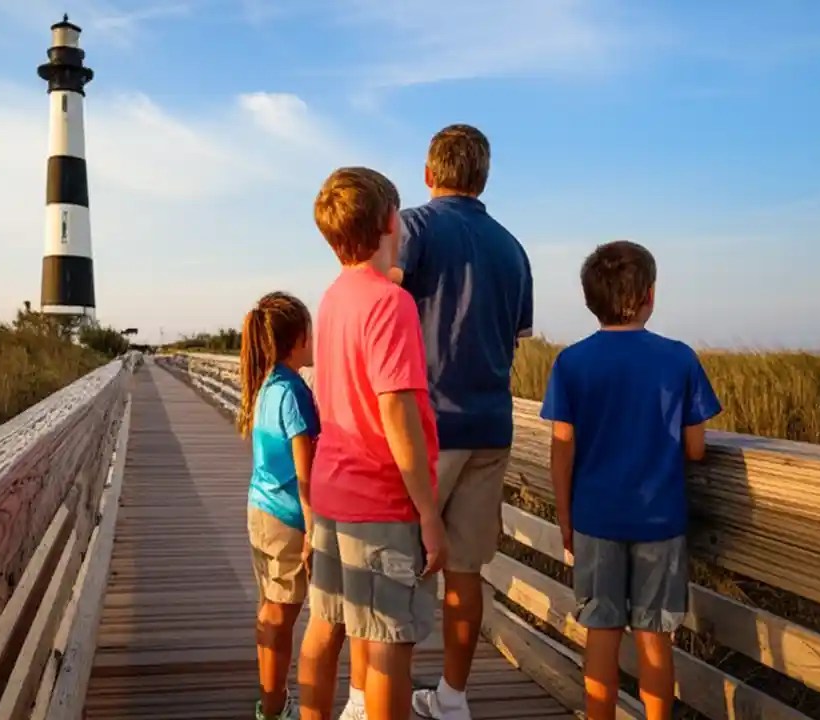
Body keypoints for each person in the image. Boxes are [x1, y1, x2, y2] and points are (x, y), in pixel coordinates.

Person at [539, 240, 721, 720]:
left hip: (595, 519)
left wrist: (564, 516)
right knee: (655, 640)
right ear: (650, 295)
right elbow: (697, 448)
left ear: (589, 298)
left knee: (601, 632)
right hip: (660, 521)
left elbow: (562, 450)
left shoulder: (571, 363)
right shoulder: (679, 359)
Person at [390, 124, 534, 720]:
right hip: (491, 428)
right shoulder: (513, 247)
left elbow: (382, 304)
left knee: (396, 565)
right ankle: (451, 697)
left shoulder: (417, 227)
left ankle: (381, 698)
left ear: (429, 173)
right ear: (484, 177)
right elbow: (516, 342)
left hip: (430, 426)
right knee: (466, 571)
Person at [297, 166, 447, 720]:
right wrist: (429, 512)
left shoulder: (334, 298)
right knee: (389, 647)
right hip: (381, 500)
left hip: (333, 495)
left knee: (336, 624)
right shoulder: (390, 304)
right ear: (392, 221)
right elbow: (397, 411)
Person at [239, 291, 320, 720]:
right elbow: (306, 473)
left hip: (261, 510)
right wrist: (312, 532)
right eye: (311, 332)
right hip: (288, 518)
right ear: (298, 339)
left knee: (270, 609)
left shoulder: (267, 384)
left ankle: (270, 699)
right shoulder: (293, 392)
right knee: (282, 619)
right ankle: (273, 708)